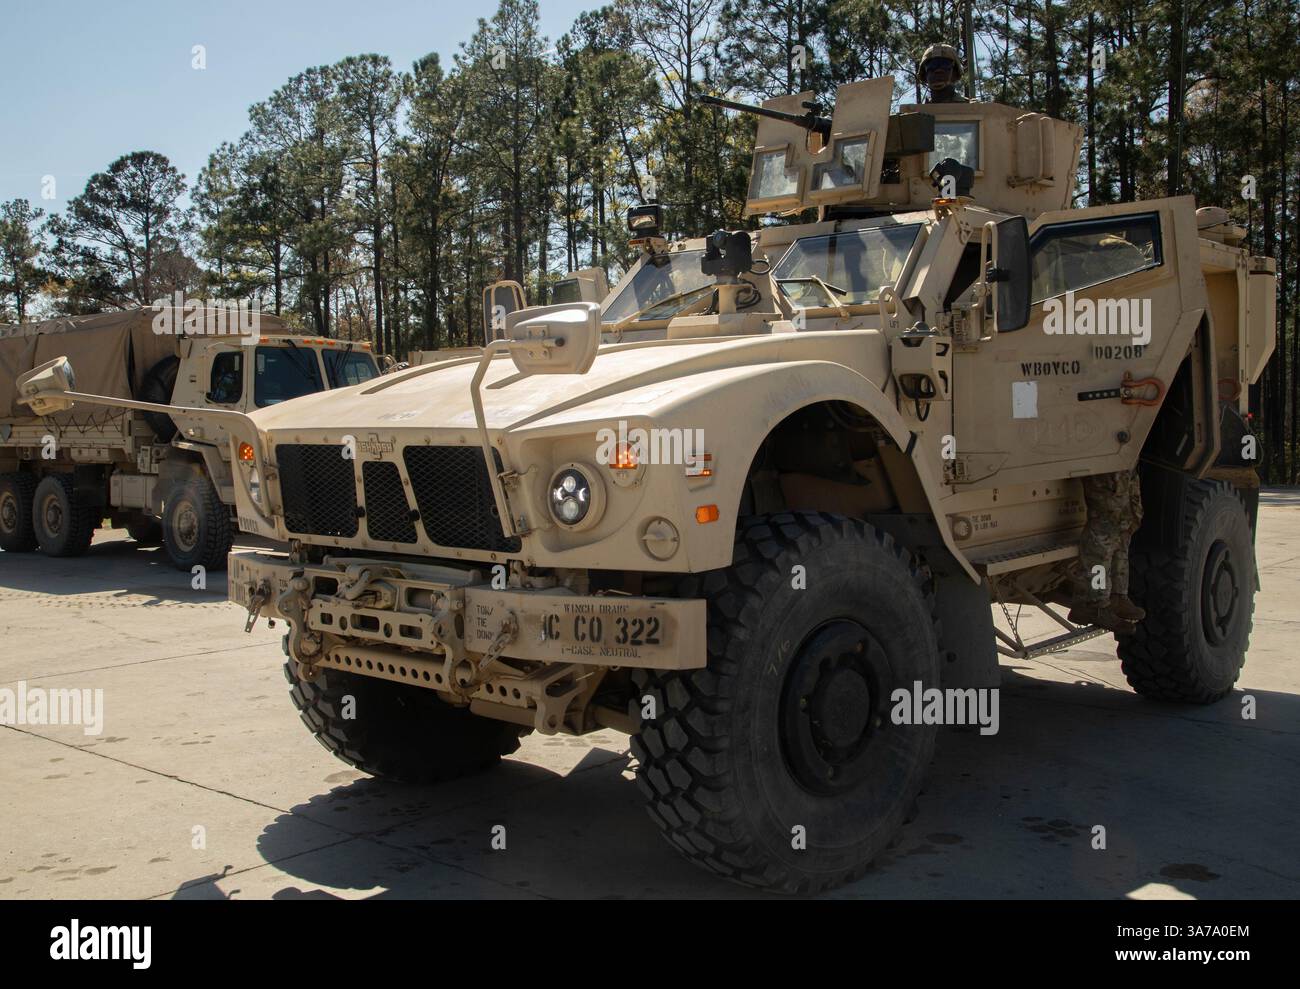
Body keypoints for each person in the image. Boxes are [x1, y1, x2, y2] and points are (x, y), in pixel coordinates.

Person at [1069, 468, 1147, 632]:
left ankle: (1117, 595)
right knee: (1105, 527)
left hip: (1124, 458)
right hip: (1106, 460)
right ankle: (1093, 603)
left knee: (1127, 520)